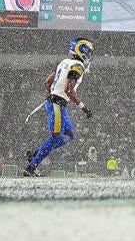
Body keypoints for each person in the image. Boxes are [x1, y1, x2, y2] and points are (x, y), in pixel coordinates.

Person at [23, 38, 96, 177]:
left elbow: (47, 82)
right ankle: (31, 167)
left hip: (57, 103)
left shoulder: (64, 62)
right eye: (88, 52)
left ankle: (35, 153)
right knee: (56, 138)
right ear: (82, 51)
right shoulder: (77, 66)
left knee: (70, 135)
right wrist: (83, 107)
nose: (89, 55)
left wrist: (54, 94)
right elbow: (69, 90)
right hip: (57, 104)